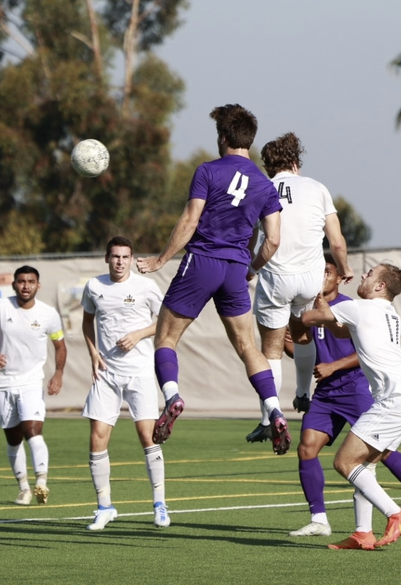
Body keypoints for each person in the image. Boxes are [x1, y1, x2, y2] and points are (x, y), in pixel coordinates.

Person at [136, 104, 288, 454]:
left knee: (165, 337)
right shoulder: (265, 186)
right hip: (235, 269)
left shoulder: (208, 171)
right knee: (248, 347)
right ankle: (273, 409)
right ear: (248, 139)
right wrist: (251, 268)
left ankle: (172, 397)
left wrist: (161, 260)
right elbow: (274, 240)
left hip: (202, 261)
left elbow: (190, 221)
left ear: (223, 137)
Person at [290, 255, 401, 540]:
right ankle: (363, 533)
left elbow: (308, 319)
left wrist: (291, 296)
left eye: (369, 274)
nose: (362, 277)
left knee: (345, 463)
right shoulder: (386, 311)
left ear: (380, 286)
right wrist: (324, 308)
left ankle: (397, 514)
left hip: (392, 398)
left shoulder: (358, 308)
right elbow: (339, 329)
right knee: (366, 465)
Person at [245, 132, 353, 444]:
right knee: (303, 333)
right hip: (311, 278)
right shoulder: (317, 188)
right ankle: (304, 392)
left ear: (269, 167)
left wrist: (249, 269)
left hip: (276, 276)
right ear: (295, 163)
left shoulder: (261, 188)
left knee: (272, 349)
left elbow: (255, 237)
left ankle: (269, 417)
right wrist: (344, 269)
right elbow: (337, 241)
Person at [80, 237, 170, 530]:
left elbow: (166, 320)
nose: (119, 261)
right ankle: (104, 506)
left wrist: (139, 334)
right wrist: (93, 352)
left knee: (148, 437)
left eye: (125, 257)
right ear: (107, 258)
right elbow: (87, 321)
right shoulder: (94, 286)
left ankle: (160, 505)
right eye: (115, 256)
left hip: (140, 372)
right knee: (97, 438)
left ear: (132, 259)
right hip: (106, 373)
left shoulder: (146, 287)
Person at [0, 265, 66, 505]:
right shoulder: (0, 307)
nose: (26, 286)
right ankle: (23, 488)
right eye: (21, 281)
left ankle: (42, 483)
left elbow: (60, 345)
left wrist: (58, 373)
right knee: (13, 439)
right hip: (2, 383)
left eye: (31, 281)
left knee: (32, 432)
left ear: (38, 285)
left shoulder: (48, 314)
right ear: (14, 285)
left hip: (32, 381)